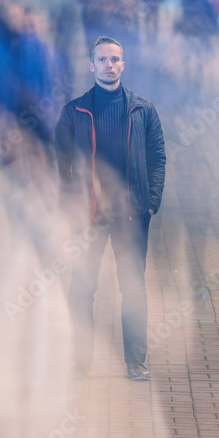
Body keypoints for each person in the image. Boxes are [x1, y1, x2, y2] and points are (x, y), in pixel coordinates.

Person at [55, 36, 166, 382]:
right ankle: (79, 360)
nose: (109, 65)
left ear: (123, 64)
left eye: (115, 59)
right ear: (91, 66)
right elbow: (59, 162)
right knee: (82, 288)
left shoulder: (143, 110)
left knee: (132, 288)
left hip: (132, 215)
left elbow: (157, 157)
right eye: (102, 59)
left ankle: (136, 361)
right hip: (89, 216)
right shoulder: (74, 111)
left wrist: (151, 201)